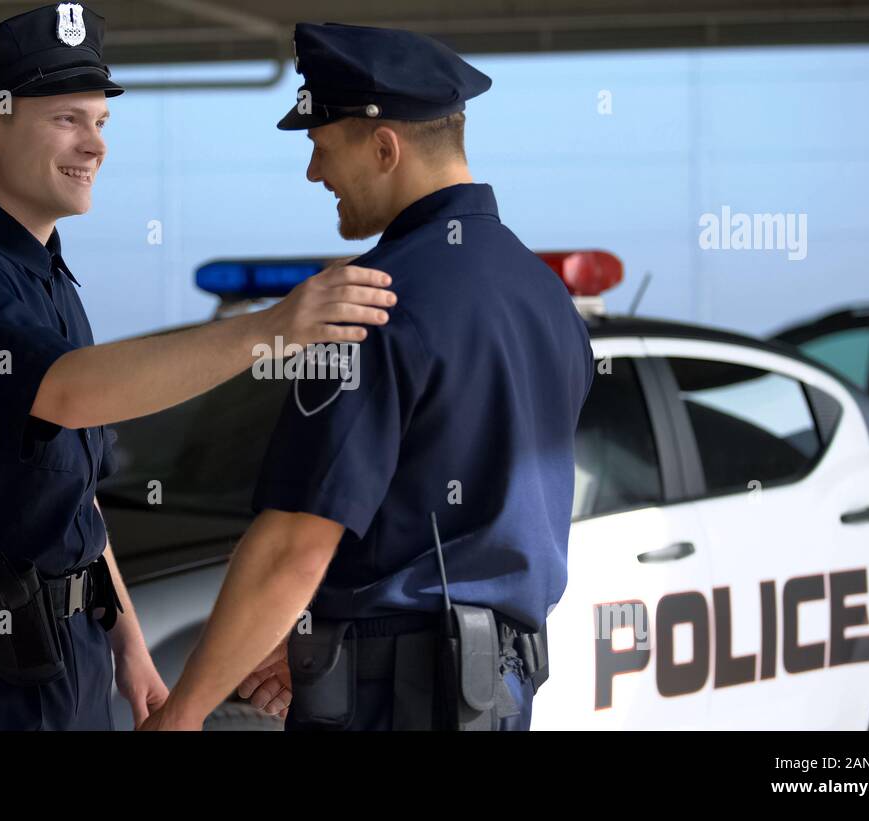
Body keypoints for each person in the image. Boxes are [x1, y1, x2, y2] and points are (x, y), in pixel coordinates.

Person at [0, 6, 396, 731]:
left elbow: (74, 500)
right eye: (67, 121)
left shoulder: (49, 280)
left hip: (65, 660)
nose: (95, 146)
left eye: (101, 123)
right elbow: (67, 394)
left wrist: (129, 645)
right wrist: (274, 326)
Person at [141, 22, 593, 731]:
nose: (315, 174)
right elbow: (462, 516)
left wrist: (183, 713)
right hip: (493, 693)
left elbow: (295, 541)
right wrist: (336, 647)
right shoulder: (544, 295)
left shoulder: (371, 301)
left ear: (385, 148)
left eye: (323, 150)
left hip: (395, 702)